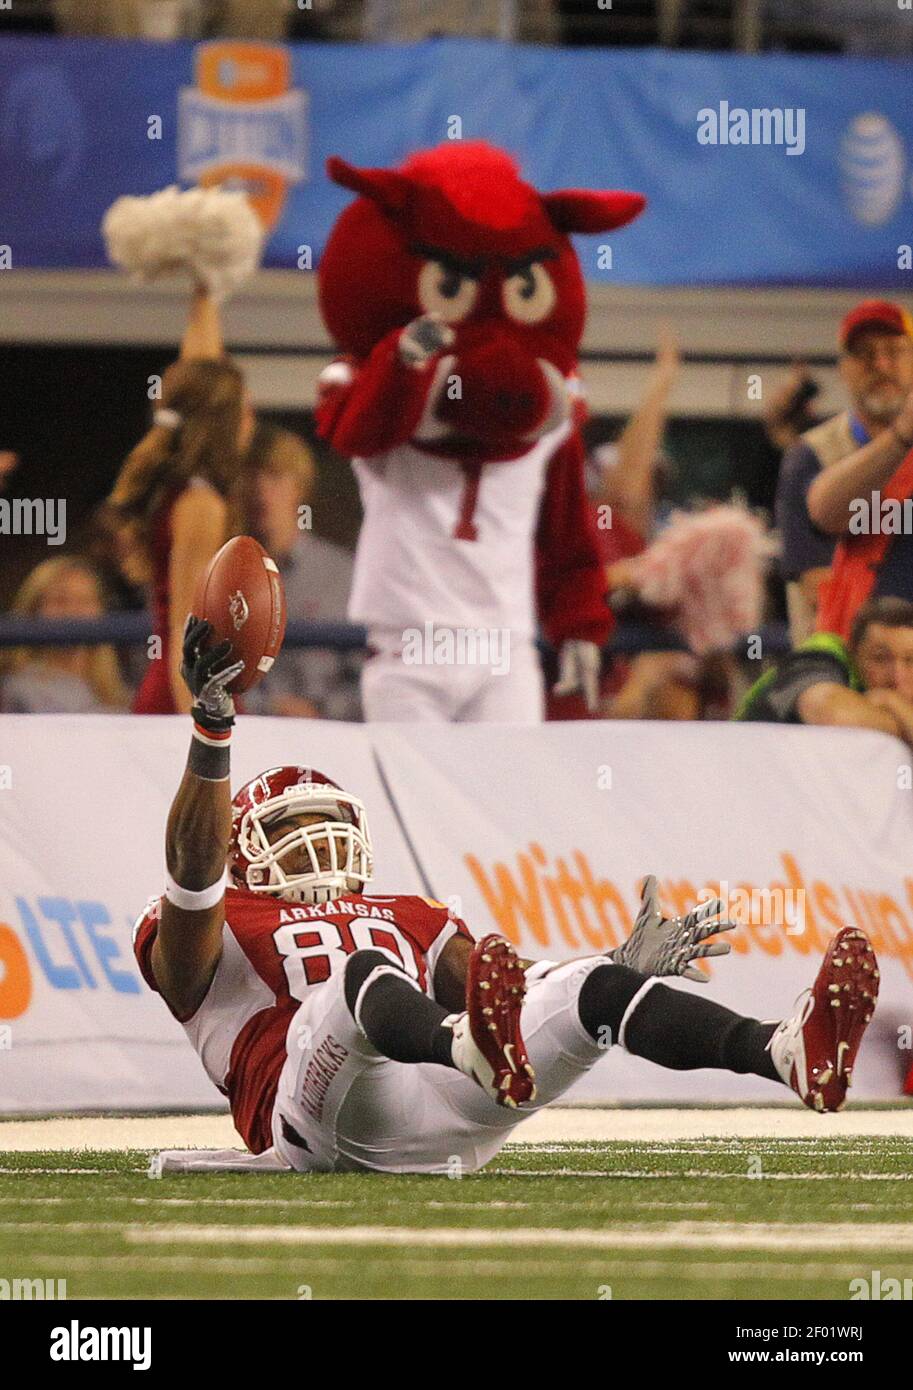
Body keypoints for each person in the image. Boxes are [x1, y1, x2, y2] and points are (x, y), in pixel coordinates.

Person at [135, 616, 879, 1176]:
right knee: (357, 977)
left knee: (591, 984)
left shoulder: (411, 912)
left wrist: (614, 962)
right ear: (243, 847)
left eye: (328, 823)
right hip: (311, 1117)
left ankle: (783, 1050)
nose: (315, 840)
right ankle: (466, 1048)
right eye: (291, 826)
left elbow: (509, 992)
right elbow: (192, 870)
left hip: (443, 1101)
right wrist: (212, 730)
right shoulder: (222, 913)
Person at [108, 285, 255, 714]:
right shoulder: (200, 507)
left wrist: (204, 287)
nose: (252, 422)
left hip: (196, 687)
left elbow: (198, 372)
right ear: (221, 427)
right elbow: (183, 632)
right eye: (245, 411)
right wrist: (197, 738)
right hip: (185, 695)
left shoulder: (191, 490)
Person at [775, 300, 913, 644]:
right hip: (836, 656)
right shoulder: (810, 455)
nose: (881, 365)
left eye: (894, 352)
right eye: (865, 355)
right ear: (844, 369)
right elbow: (818, 585)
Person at [238, 423, 362, 721]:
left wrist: (321, 711)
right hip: (247, 732)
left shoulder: (343, 574)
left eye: (274, 476)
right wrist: (260, 708)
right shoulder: (228, 573)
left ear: (300, 487)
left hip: (328, 736)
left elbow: (368, 677)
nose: (260, 490)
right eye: (251, 477)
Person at [733, 595, 913, 744]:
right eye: (880, 658)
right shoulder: (822, 655)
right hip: (738, 769)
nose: (897, 676)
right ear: (853, 652)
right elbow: (835, 716)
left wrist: (891, 703)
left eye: (910, 661)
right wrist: (894, 706)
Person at [0, 557, 128, 714]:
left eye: (84, 601)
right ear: (34, 610)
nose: (73, 611)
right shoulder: (20, 691)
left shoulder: (120, 691)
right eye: (60, 601)